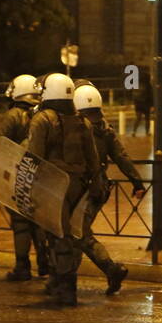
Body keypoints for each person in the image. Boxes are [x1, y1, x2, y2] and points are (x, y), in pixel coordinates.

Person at [27, 73, 103, 307]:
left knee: (58, 236)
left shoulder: (41, 120)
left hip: (53, 186)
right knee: (72, 235)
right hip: (79, 186)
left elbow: (34, 159)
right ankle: (63, 285)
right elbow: (94, 159)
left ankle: (65, 289)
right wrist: (97, 185)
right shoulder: (83, 122)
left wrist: (30, 190)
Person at [73, 81, 146, 294]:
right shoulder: (105, 127)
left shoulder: (77, 128)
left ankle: (110, 269)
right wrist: (137, 182)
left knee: (78, 233)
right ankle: (64, 278)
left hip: (85, 188)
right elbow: (121, 156)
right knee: (76, 231)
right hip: (100, 187)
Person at [0, 73, 53, 281]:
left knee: (20, 222)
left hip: (17, 174)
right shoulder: (44, 114)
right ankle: (44, 265)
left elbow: (0, 144)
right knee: (38, 222)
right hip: (40, 176)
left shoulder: (13, 115)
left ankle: (22, 267)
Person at [132, 71, 153, 136]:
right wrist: (152, 105)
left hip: (138, 104)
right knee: (147, 119)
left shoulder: (137, 84)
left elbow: (133, 95)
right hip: (146, 104)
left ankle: (134, 131)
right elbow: (151, 95)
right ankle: (147, 132)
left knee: (138, 118)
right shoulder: (148, 84)